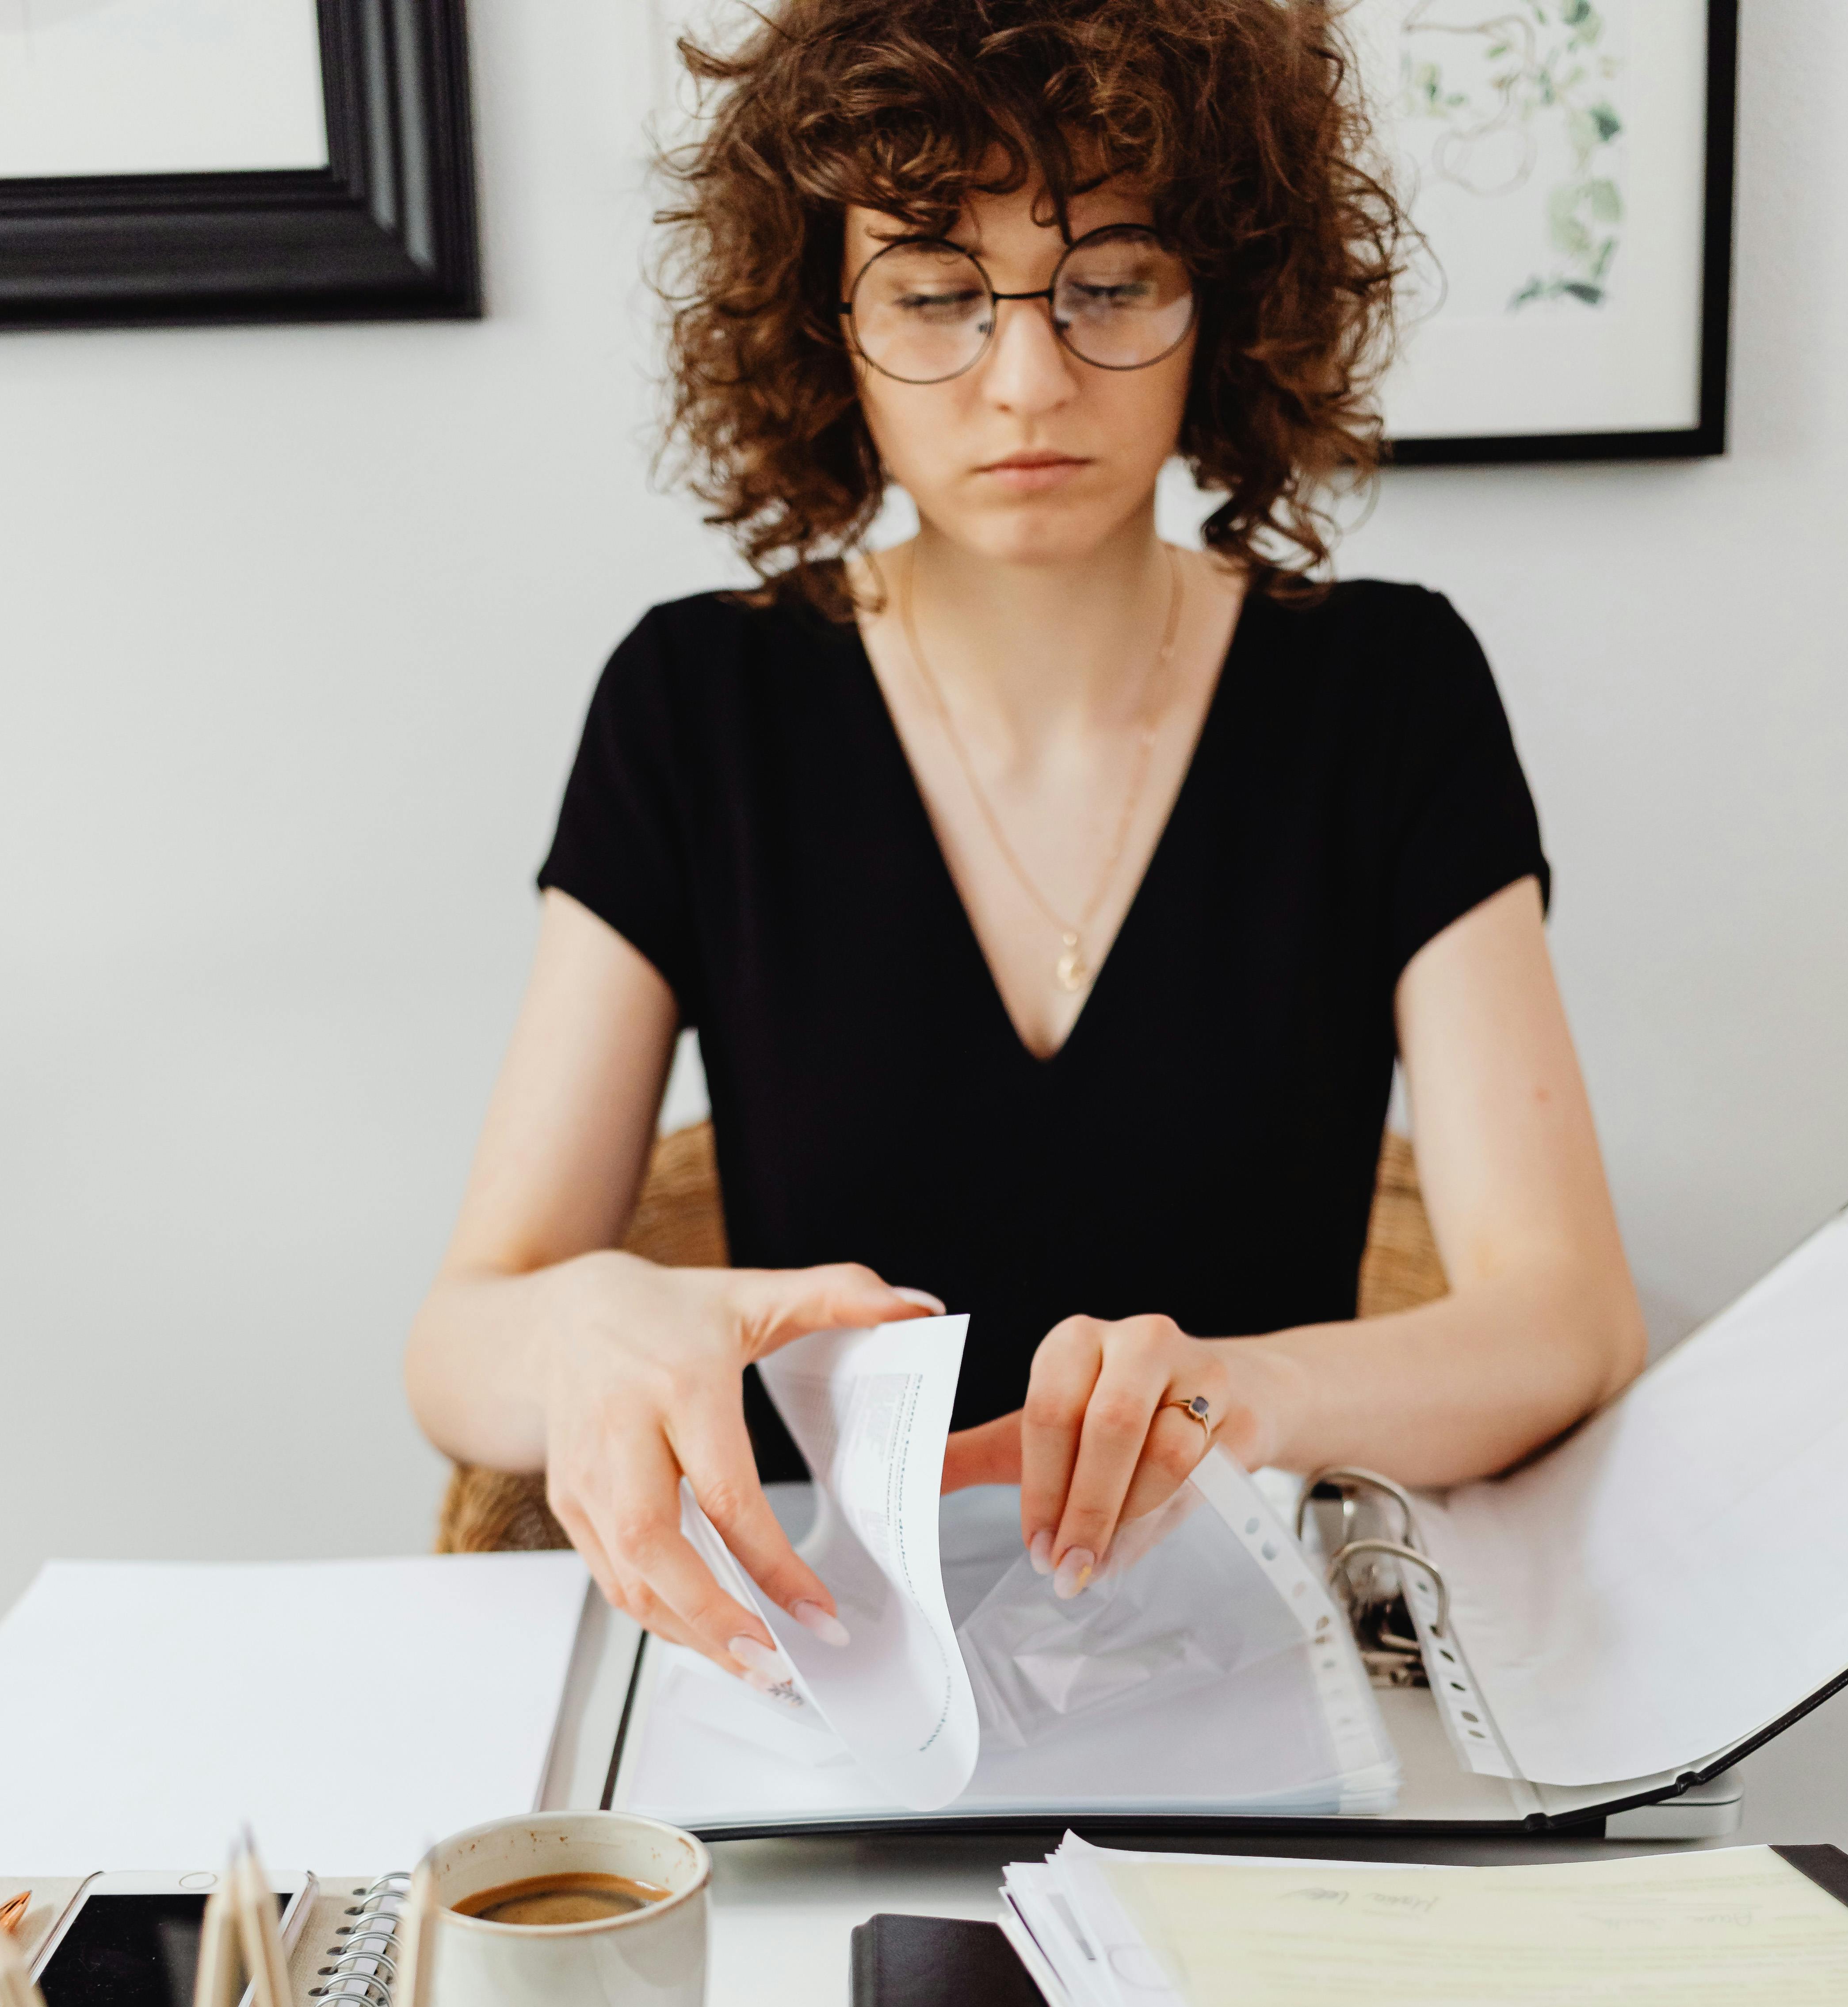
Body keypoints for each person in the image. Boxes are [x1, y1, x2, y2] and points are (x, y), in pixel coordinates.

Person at [405, 0, 1644, 1693]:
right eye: (935, 294)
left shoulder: (1390, 689)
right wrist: (583, 1323)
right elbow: (458, 1342)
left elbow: (1567, 1319)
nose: (1028, 380)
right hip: (818, 1678)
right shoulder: (696, 703)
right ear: (826, 323)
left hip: (1248, 1674)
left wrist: (1251, 1394)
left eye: (1111, 283)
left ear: (1228, 299)